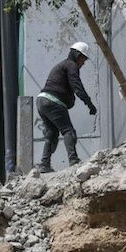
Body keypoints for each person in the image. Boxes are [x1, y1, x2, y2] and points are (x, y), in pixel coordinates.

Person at [35, 42, 98, 172]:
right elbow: (77, 86)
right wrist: (89, 104)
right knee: (68, 131)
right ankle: (73, 160)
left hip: (41, 100)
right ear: (77, 55)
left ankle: (44, 164)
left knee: (51, 134)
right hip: (53, 101)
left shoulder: (62, 65)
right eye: (83, 59)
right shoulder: (71, 65)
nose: (83, 63)